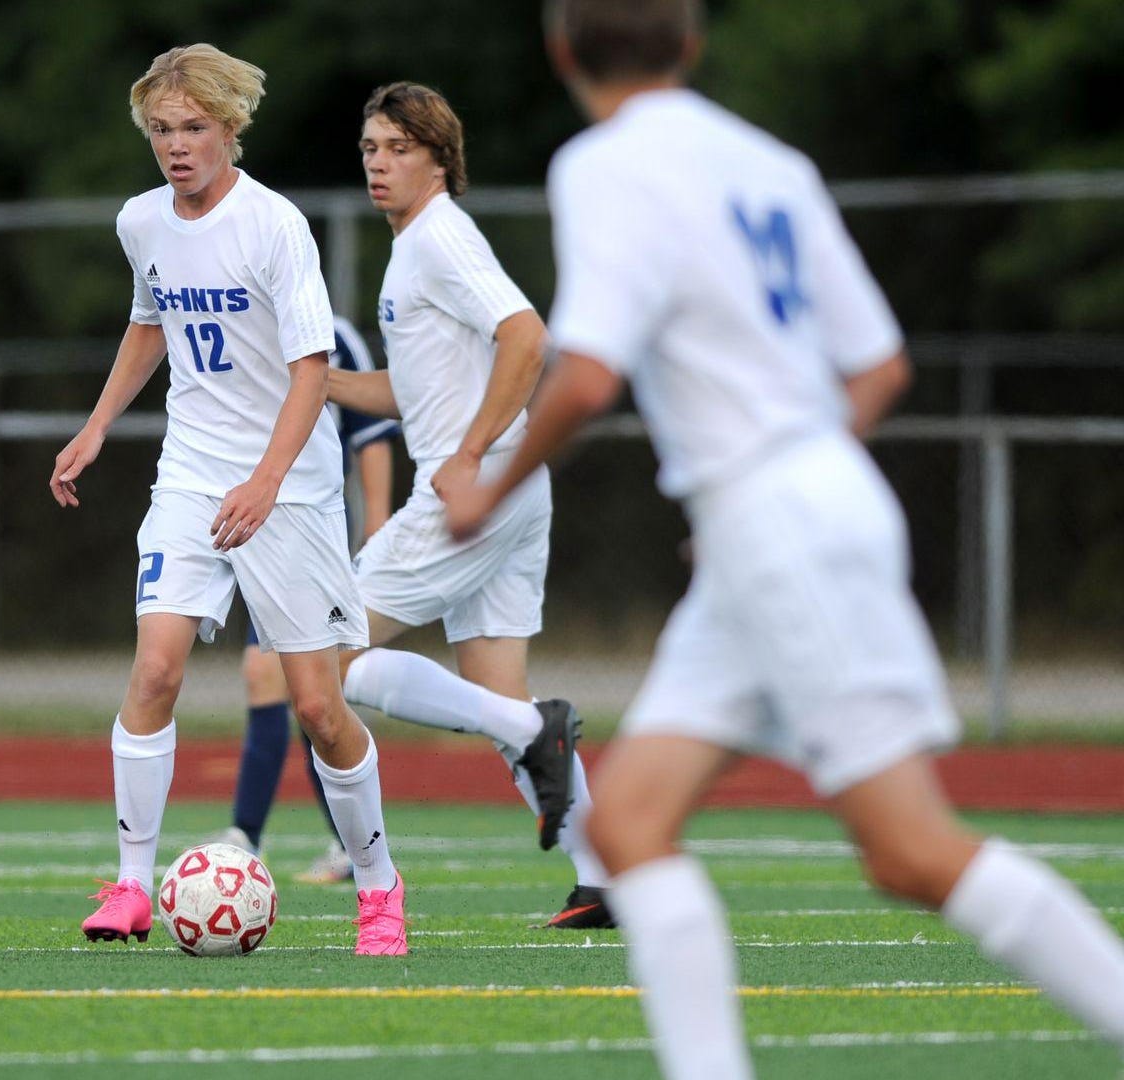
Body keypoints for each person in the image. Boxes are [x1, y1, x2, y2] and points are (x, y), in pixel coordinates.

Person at [446, 1, 1124, 1073]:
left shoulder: (604, 164)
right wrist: (772, 478)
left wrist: (489, 486)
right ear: (694, 43)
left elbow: (586, 371)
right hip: (793, 509)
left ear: (561, 49)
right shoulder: (772, 163)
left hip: (777, 524)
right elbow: (879, 368)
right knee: (627, 830)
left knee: (908, 851)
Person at [51, 43, 409, 955]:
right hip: (192, 476)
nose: (177, 147)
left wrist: (267, 480)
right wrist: (95, 428)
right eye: (163, 130)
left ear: (230, 128)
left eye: (194, 129)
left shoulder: (276, 225)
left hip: (288, 489)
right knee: (157, 670)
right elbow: (148, 322)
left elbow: (311, 370)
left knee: (320, 708)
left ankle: (378, 887)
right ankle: (132, 885)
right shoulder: (141, 221)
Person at [325, 82, 610, 928]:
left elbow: (527, 335)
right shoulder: (415, 245)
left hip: (478, 492)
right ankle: (604, 878)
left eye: (400, 148)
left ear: (441, 159)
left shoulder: (439, 238)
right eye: (372, 148)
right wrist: (312, 379)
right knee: (499, 692)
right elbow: (411, 393)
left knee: (327, 653)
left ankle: (537, 730)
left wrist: (472, 455)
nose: (381, 163)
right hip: (509, 491)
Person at [218, 317, 400, 885]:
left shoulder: (330, 332)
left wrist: (376, 524)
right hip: (244, 518)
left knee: (298, 687)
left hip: (306, 528)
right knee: (294, 688)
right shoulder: (224, 316)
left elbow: (370, 436)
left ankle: (253, 836)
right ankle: (325, 844)